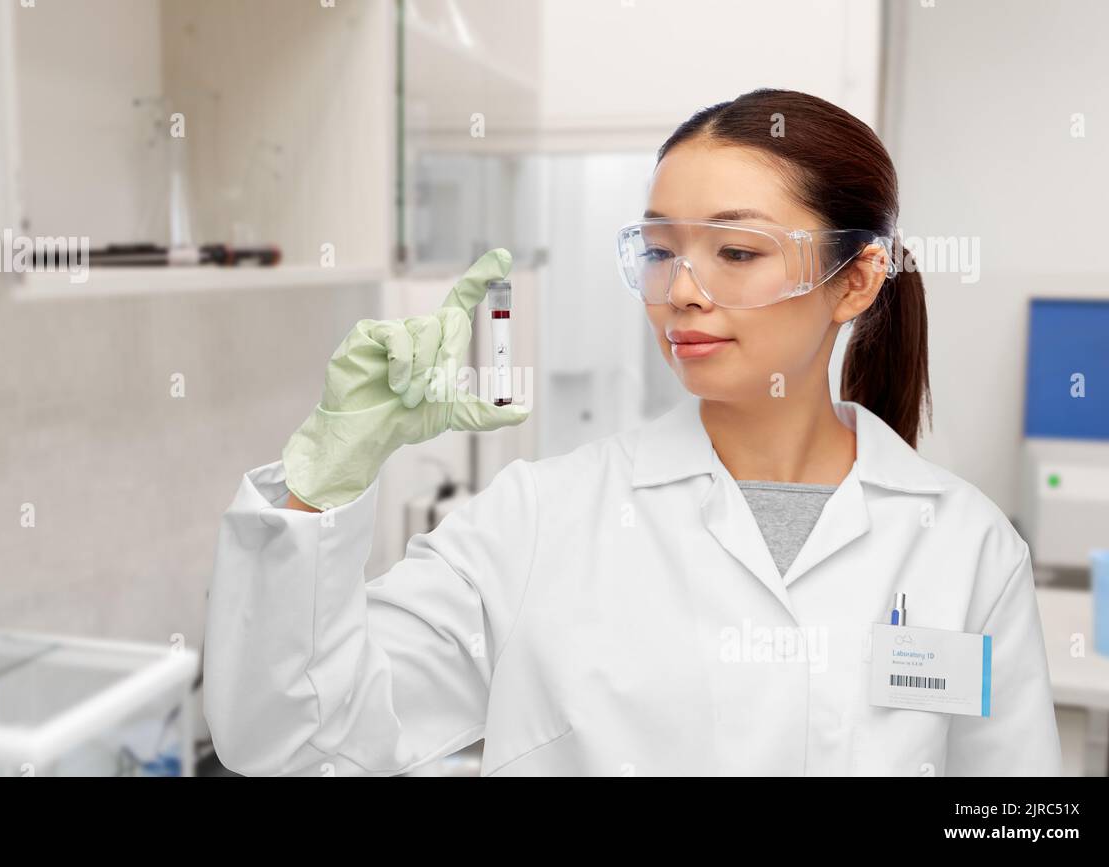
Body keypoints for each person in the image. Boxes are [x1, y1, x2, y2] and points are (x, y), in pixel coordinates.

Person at [202, 88, 1062, 776]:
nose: (681, 290)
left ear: (856, 279)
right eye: (658, 251)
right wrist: (322, 485)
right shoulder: (540, 522)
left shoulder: (965, 547)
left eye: (735, 252)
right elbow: (294, 742)